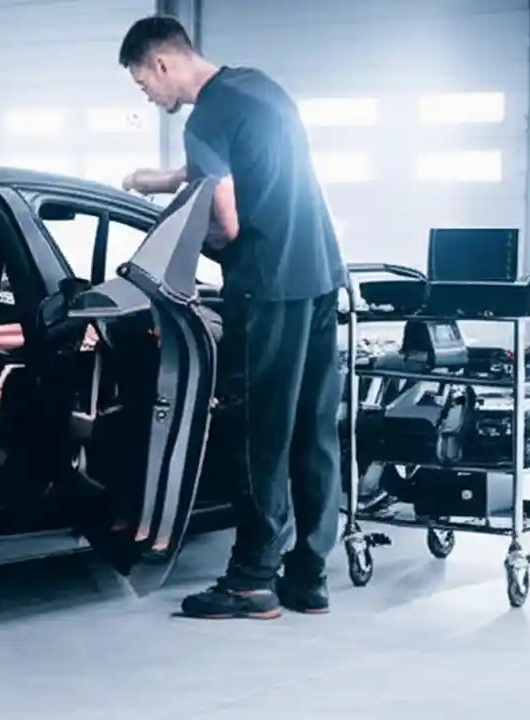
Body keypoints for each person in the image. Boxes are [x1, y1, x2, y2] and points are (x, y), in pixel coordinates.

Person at [117, 15, 348, 619]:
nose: (148, 96)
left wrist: (179, 250)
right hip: (321, 277)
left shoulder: (203, 119)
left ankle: (250, 579)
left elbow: (225, 221)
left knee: (259, 436)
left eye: (144, 85)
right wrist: (157, 181)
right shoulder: (258, 88)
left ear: (161, 64)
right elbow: (238, 170)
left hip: (267, 288)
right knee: (312, 430)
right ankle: (308, 576)